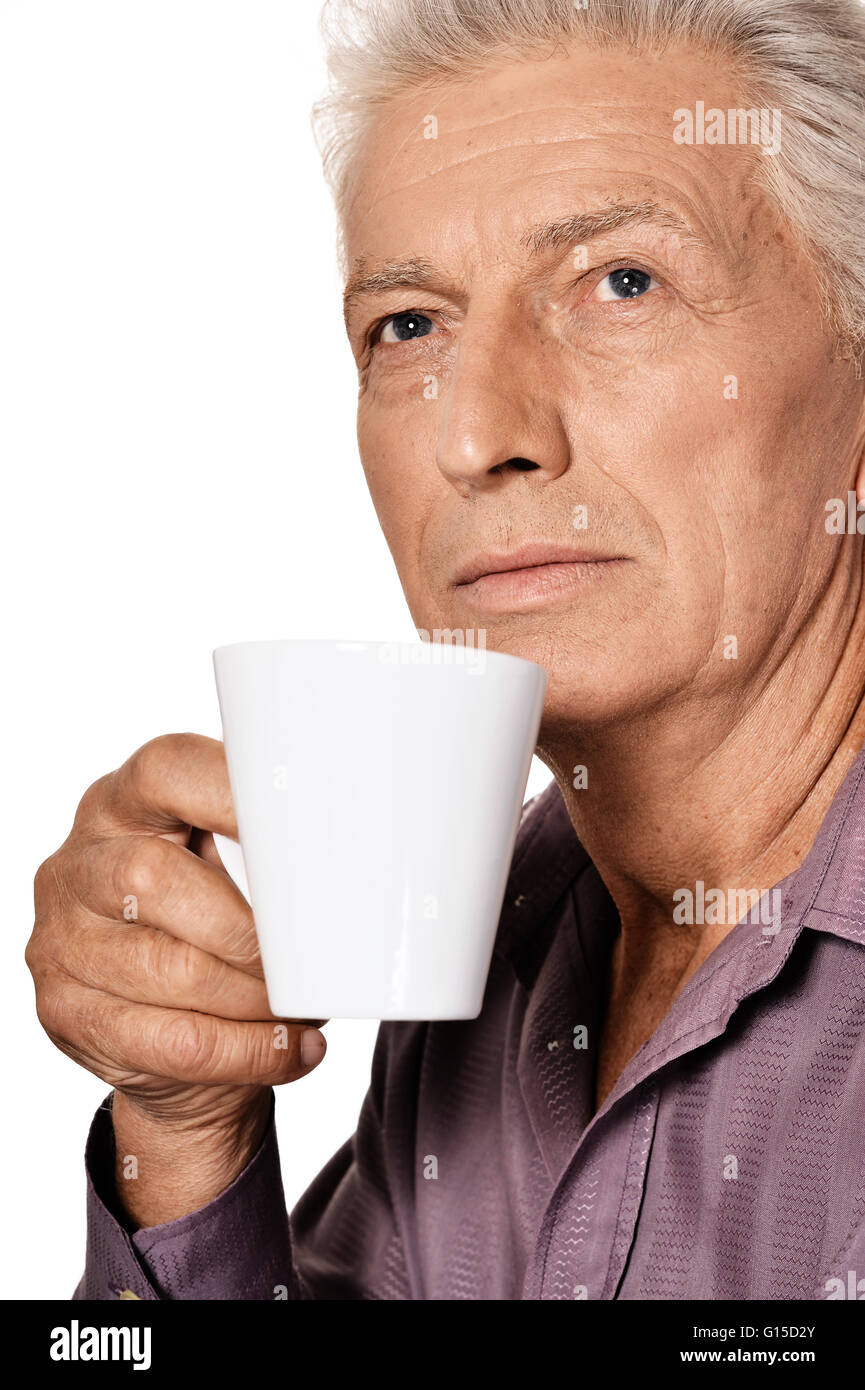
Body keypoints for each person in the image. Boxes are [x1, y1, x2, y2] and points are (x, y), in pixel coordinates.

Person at [27, 0, 865, 1299]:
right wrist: (183, 1126)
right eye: (410, 324)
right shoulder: (500, 930)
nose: (476, 437)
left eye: (622, 282)